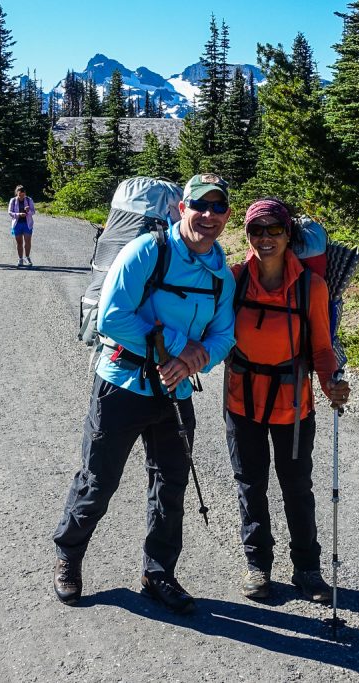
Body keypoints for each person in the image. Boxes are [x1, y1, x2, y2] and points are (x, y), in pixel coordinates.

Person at [52, 173, 237, 615]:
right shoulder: (147, 251)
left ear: (227, 215)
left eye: (218, 207)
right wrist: (179, 347)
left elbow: (224, 336)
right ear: (181, 209)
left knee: (170, 485)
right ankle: (68, 557)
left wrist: (195, 360)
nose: (208, 215)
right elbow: (112, 318)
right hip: (121, 384)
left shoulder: (221, 274)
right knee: (98, 482)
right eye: (200, 205)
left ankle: (158, 573)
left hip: (174, 390)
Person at [224, 197, 350, 603]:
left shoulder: (311, 286)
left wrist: (332, 379)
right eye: (256, 230)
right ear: (247, 235)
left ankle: (307, 570)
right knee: (251, 484)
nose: (265, 238)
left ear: (288, 234)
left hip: (294, 405)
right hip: (241, 400)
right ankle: (258, 566)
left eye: (274, 230)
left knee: (297, 487)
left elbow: (321, 346)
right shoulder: (235, 278)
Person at [8, 185, 36, 267]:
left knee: (28, 241)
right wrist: (19, 214)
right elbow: (10, 212)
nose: (21, 196)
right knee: (19, 242)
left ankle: (27, 257)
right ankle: (20, 258)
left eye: (23, 195)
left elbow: (33, 212)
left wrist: (28, 211)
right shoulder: (13, 200)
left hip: (27, 224)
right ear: (17, 193)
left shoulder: (29, 200)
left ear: (25, 193)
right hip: (17, 224)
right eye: (20, 195)